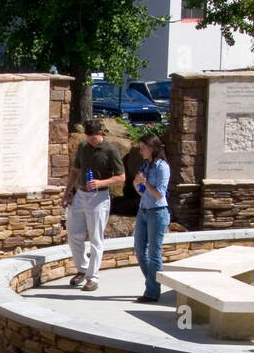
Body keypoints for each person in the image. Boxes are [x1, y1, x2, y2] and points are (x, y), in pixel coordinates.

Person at [61, 120, 126, 291]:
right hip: (81, 194)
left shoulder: (110, 150)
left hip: (99, 196)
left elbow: (121, 177)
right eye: (89, 137)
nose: (91, 140)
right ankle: (82, 268)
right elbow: (75, 170)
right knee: (74, 233)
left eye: (94, 137)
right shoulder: (83, 147)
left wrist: (100, 182)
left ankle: (93, 277)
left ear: (101, 133)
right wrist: (67, 192)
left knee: (96, 237)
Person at [132, 134, 171, 303]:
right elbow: (143, 192)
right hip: (143, 211)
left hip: (157, 212)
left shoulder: (162, 167)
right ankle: (153, 283)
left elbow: (159, 193)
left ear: (152, 148)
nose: (141, 151)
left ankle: (152, 291)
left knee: (154, 253)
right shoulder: (146, 165)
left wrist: (146, 182)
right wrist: (136, 183)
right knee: (140, 251)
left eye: (143, 148)